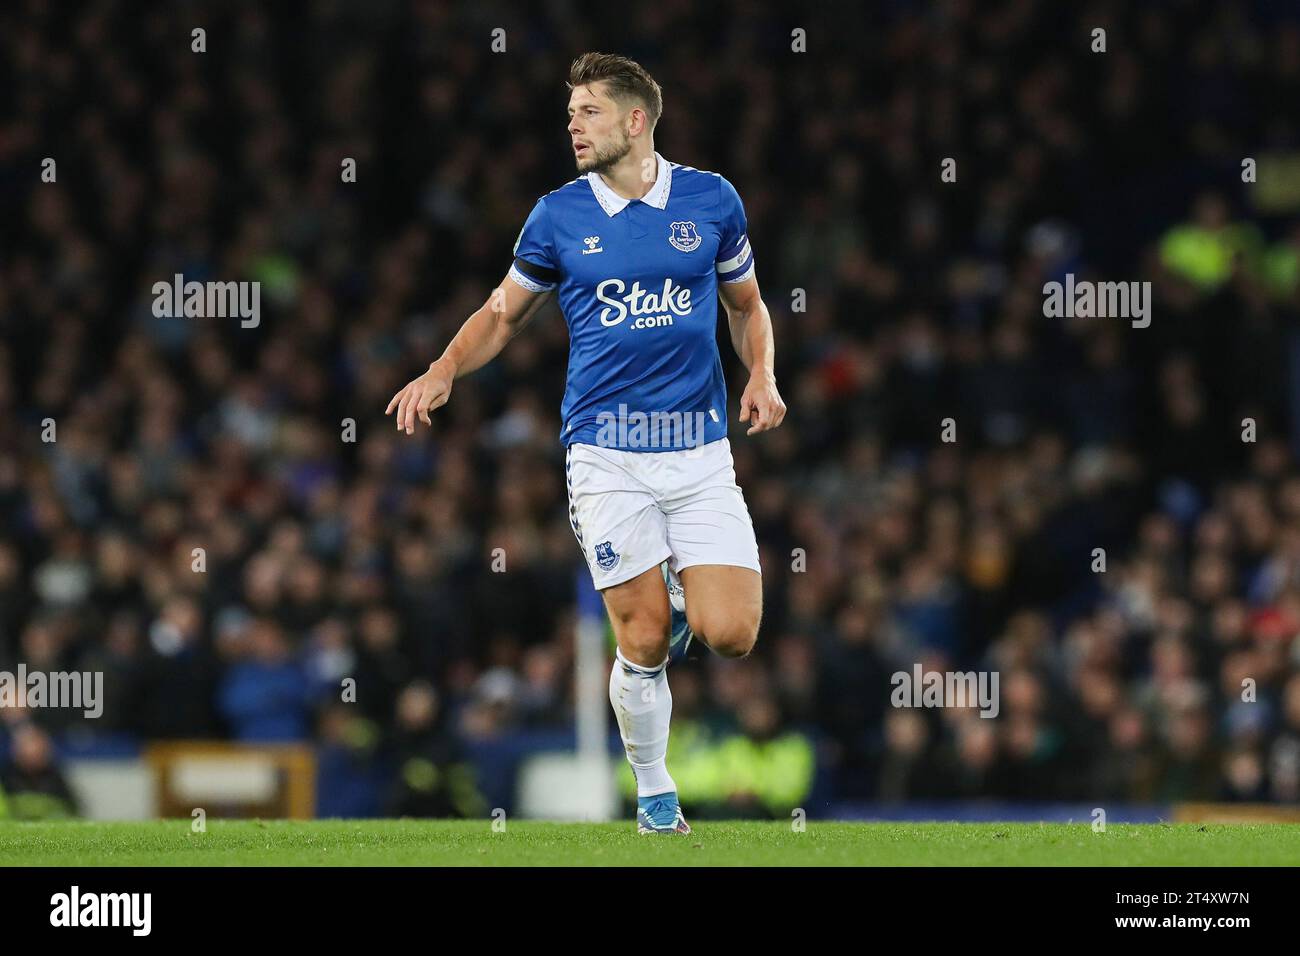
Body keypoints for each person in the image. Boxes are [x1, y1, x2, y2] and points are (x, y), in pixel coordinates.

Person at [386, 52, 786, 833]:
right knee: (639, 636)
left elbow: (747, 304)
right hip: (605, 452)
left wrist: (763, 374)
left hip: (699, 451)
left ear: (635, 121)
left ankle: (682, 599)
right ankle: (654, 791)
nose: (572, 124)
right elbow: (503, 314)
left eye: (589, 112)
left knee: (732, 636)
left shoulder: (711, 201)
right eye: (570, 113)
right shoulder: (557, 216)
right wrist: (443, 370)